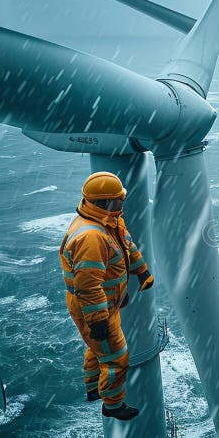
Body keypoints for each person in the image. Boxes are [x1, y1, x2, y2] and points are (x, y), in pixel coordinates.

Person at [59, 172, 154, 421]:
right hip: (92, 308)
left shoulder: (109, 220)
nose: (123, 202)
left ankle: (93, 387)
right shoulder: (91, 237)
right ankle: (112, 404)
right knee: (116, 357)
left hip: (106, 303)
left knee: (97, 348)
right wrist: (98, 320)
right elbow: (89, 286)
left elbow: (127, 246)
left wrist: (142, 272)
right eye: (118, 199)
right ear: (104, 202)